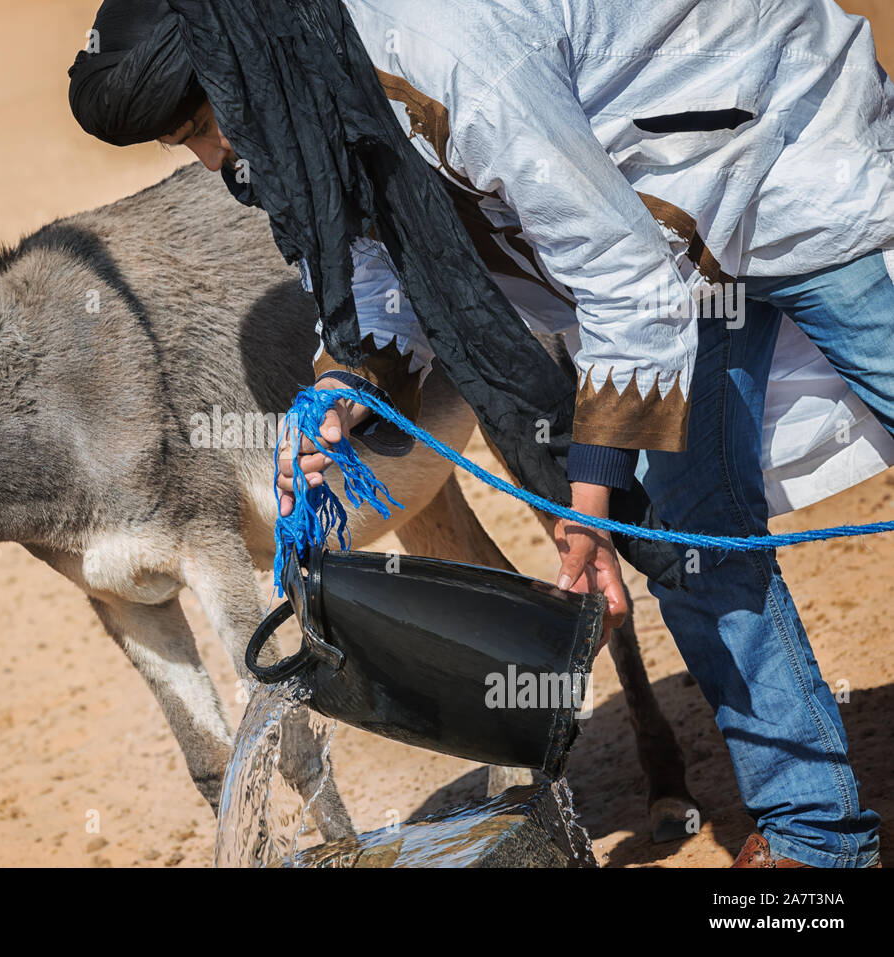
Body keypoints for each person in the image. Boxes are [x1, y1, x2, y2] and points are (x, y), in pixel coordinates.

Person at [68, 0, 893, 867]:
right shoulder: (316, 93)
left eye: (203, 124)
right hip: (669, 250)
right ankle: (819, 839)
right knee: (693, 541)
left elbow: (624, 281)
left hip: (792, 157)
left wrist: (586, 506)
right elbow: (386, 254)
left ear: (244, 60)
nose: (212, 158)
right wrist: (341, 391)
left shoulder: (446, 48)